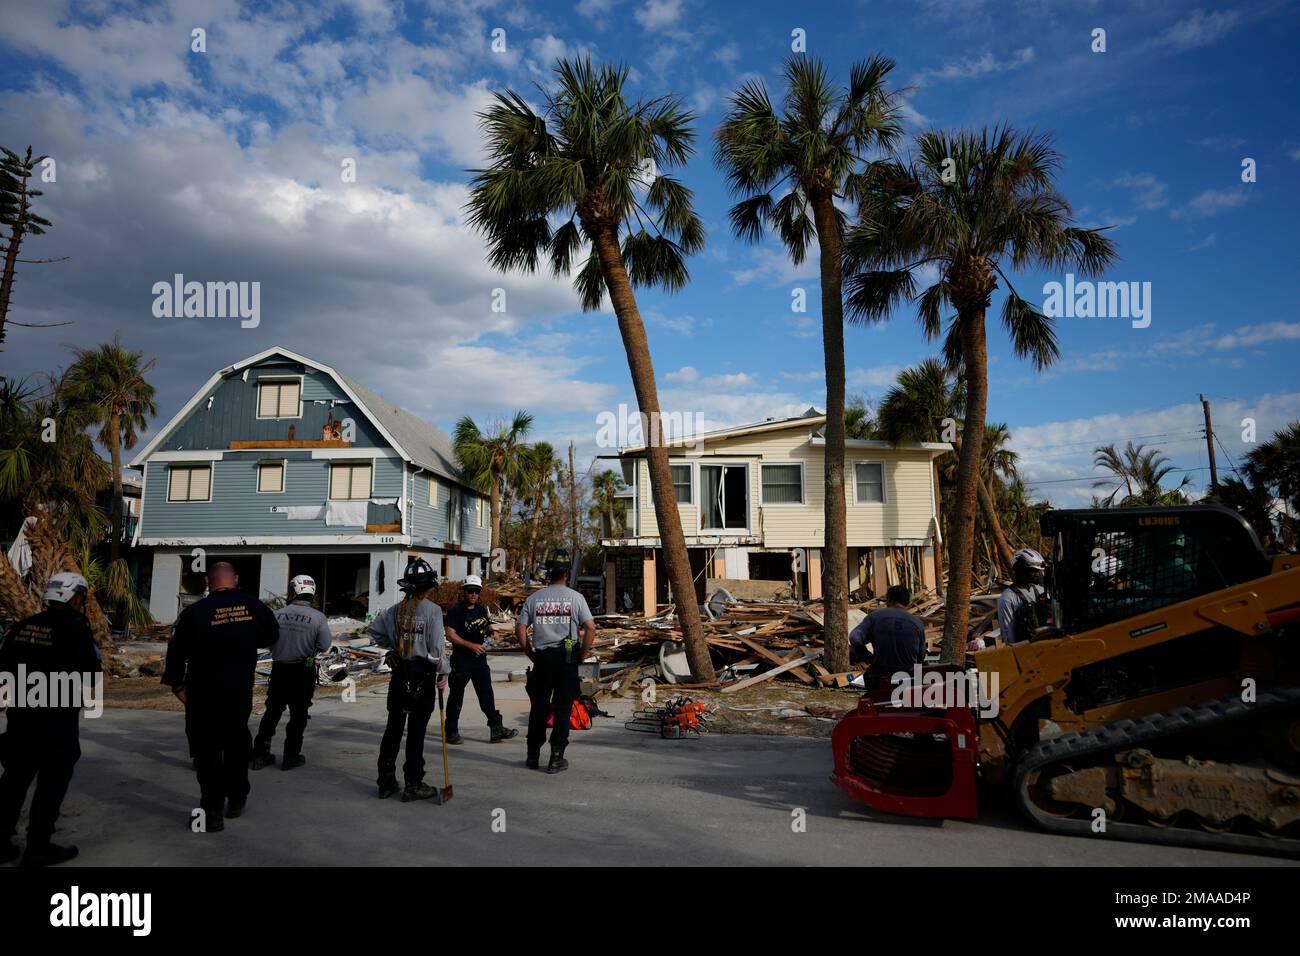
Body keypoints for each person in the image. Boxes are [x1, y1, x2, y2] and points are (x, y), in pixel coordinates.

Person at [162, 562, 279, 832]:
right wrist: (246, 640)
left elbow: (176, 653)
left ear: (207, 581)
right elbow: (272, 634)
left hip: (203, 695)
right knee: (237, 745)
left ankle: (211, 812)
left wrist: (178, 687)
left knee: (207, 754)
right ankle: (237, 799)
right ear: (236, 580)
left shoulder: (193, 613)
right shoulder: (254, 607)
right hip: (238, 693)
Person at [0, 572, 101, 867]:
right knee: (51, 784)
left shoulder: (22, 626)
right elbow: (92, 675)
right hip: (56, 723)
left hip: (21, 720)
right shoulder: (77, 630)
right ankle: (38, 847)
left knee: (14, 781)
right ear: (76, 598)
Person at [369, 558, 449, 802]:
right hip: (422, 675)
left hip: (400, 674)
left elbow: (374, 631)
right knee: (416, 731)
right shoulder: (432, 611)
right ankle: (413, 783)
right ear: (428, 586)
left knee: (393, 728)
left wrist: (392, 649)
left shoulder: (395, 610)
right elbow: (436, 649)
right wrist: (443, 671)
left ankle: (386, 782)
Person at [515, 560, 595, 774]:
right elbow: (590, 628)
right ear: (567, 574)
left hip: (543, 658)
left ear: (548, 574)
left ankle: (533, 755)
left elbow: (520, 628)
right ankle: (556, 757)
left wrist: (530, 652)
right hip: (566, 659)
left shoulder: (534, 599)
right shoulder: (576, 598)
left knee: (539, 708)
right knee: (563, 708)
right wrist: (582, 655)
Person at [250, 574, 333, 771]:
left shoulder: (277, 614)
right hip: (303, 672)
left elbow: (266, 640)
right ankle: (291, 756)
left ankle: (260, 754)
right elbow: (324, 646)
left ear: (293, 590)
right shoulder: (318, 617)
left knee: (272, 712)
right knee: (298, 715)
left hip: (280, 670)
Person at [444, 575, 517, 745]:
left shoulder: (481, 609)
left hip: (479, 660)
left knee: (486, 695)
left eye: (476, 591)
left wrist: (492, 631)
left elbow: (485, 625)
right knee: (456, 696)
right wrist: (470, 646)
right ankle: (451, 731)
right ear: (464, 592)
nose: (473, 594)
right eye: (470, 591)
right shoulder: (456, 611)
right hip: (462, 660)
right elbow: (450, 634)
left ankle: (496, 728)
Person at [849, 585, 926, 681]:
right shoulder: (917, 623)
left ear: (888, 599)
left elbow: (854, 637)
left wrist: (866, 657)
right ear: (907, 602)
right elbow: (921, 655)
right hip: (908, 677)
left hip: (881, 675)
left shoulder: (875, 617)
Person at [997, 548, 1052, 645]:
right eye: (1033, 571)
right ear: (1021, 570)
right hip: (1026, 651)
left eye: (1038, 571)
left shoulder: (1042, 591)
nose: (1038, 574)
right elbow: (1009, 636)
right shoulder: (1007, 598)